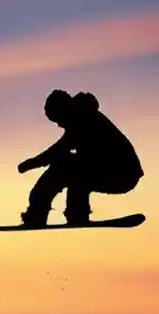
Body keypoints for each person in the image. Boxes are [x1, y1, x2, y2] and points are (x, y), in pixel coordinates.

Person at [17, 90, 143, 227]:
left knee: (64, 168)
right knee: (70, 170)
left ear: (64, 111)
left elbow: (58, 151)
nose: (59, 125)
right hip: (122, 173)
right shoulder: (86, 118)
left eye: (57, 119)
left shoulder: (83, 121)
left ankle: (41, 214)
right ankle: (70, 213)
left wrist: (31, 163)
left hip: (121, 174)